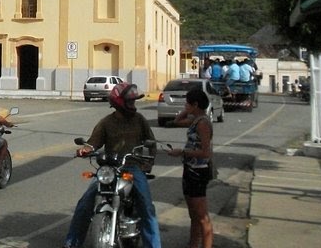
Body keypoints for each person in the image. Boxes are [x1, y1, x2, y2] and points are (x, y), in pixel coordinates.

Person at [63, 82, 160, 248]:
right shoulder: (106, 122)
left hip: (132, 167)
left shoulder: (139, 120)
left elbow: (151, 143)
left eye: (133, 101)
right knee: (84, 203)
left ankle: (154, 245)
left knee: (147, 206)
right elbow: (93, 143)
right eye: (130, 101)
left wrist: (148, 163)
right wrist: (85, 150)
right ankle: (72, 243)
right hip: (110, 168)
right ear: (119, 102)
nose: (133, 104)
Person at [166, 87, 214, 248]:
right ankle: (193, 244)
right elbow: (177, 121)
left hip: (198, 171)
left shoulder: (203, 123)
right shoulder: (196, 120)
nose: (185, 106)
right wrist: (187, 110)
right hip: (190, 168)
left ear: (195, 104)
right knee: (193, 214)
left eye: (187, 103)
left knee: (202, 217)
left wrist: (182, 152)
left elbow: (205, 152)